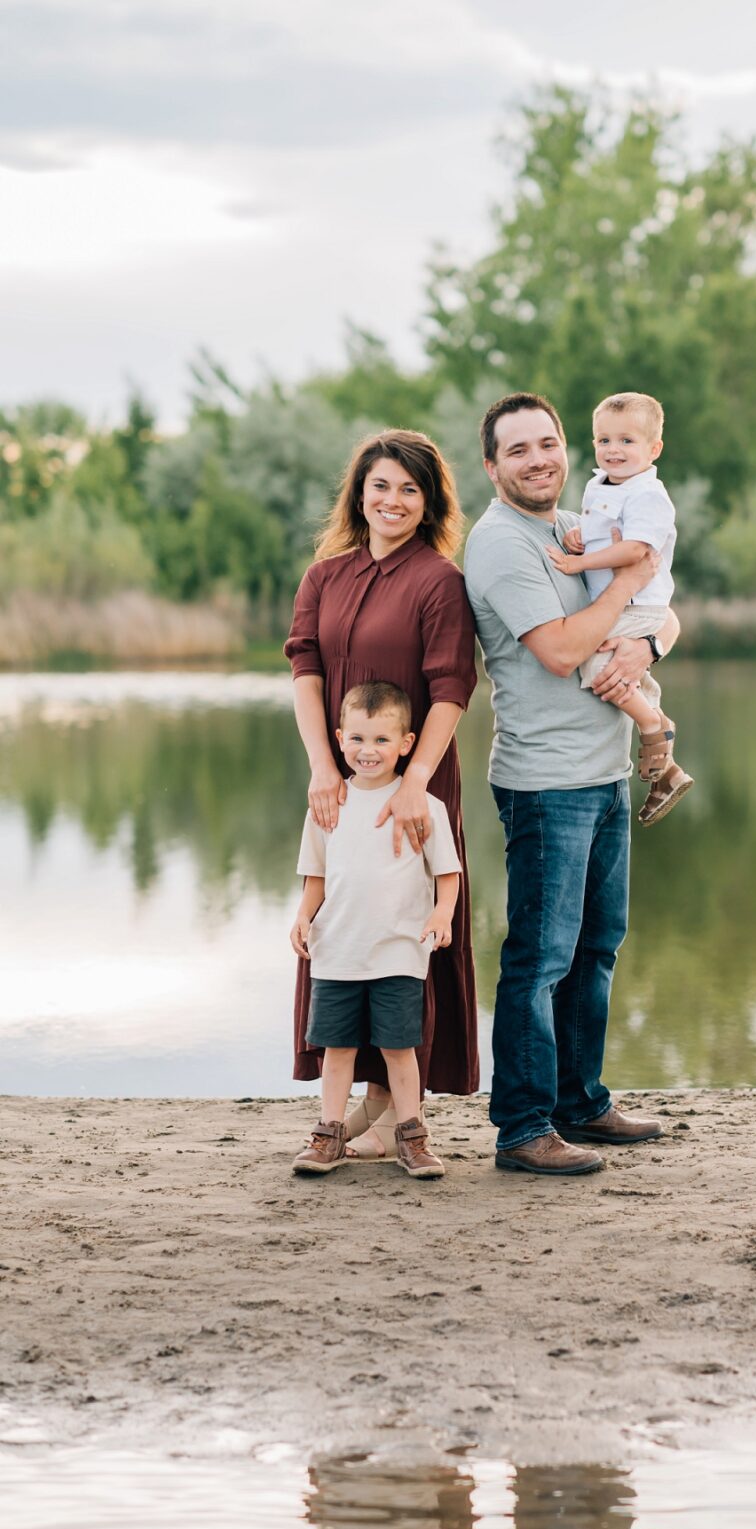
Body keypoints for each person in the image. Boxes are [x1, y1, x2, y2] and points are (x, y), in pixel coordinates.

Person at [462, 392, 679, 1176]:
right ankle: (522, 1128)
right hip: (545, 782)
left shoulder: (571, 525)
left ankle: (579, 1104)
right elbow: (557, 650)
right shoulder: (499, 544)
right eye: (517, 450)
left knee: (596, 948)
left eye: (547, 443)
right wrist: (627, 591)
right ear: (492, 466)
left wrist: (646, 644)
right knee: (539, 959)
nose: (539, 459)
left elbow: (667, 612)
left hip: (604, 770)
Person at [284, 429, 478, 1149]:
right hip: (341, 775)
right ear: (358, 494)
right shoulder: (324, 576)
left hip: (411, 776)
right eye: (380, 485)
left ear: (427, 502)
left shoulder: (438, 581)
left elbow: (452, 686)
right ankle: (353, 1105)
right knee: (341, 916)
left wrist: (416, 779)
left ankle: (393, 1106)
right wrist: (321, 766)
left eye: (408, 488)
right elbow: (304, 669)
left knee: (402, 921)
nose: (392, 500)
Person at [289, 682, 460, 1179]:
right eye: (359, 739)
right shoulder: (327, 802)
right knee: (337, 1050)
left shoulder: (425, 806)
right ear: (340, 739)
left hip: (399, 952)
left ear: (406, 744)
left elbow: (446, 872)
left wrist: (442, 913)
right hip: (336, 951)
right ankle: (328, 1134)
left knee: (398, 1049)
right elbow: (316, 876)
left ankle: (412, 1136)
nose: (369, 751)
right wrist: (303, 916)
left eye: (382, 741)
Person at [545, 390, 693, 826]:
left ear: (654, 449)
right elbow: (601, 530)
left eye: (627, 441)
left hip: (639, 602)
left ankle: (652, 727)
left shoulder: (649, 495)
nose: (614, 450)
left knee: (595, 667)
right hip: (619, 603)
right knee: (616, 668)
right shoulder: (597, 485)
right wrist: (580, 538)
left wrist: (580, 561)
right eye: (604, 440)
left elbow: (635, 550)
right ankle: (663, 747)